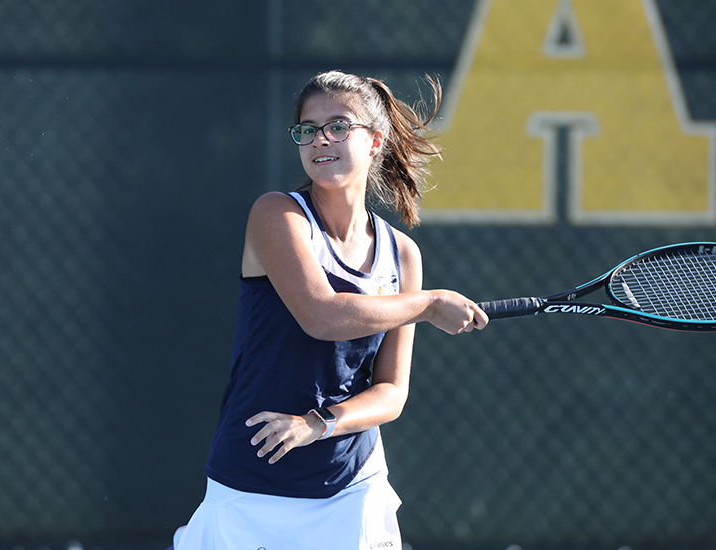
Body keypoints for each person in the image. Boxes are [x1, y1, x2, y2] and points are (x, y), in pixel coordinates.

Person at [173, 70, 488, 549]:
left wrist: (318, 425)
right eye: (309, 129)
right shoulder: (277, 214)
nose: (321, 139)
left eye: (338, 126)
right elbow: (322, 316)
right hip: (251, 485)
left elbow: (390, 393)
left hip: (354, 487)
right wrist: (427, 304)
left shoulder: (402, 255)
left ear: (375, 141)